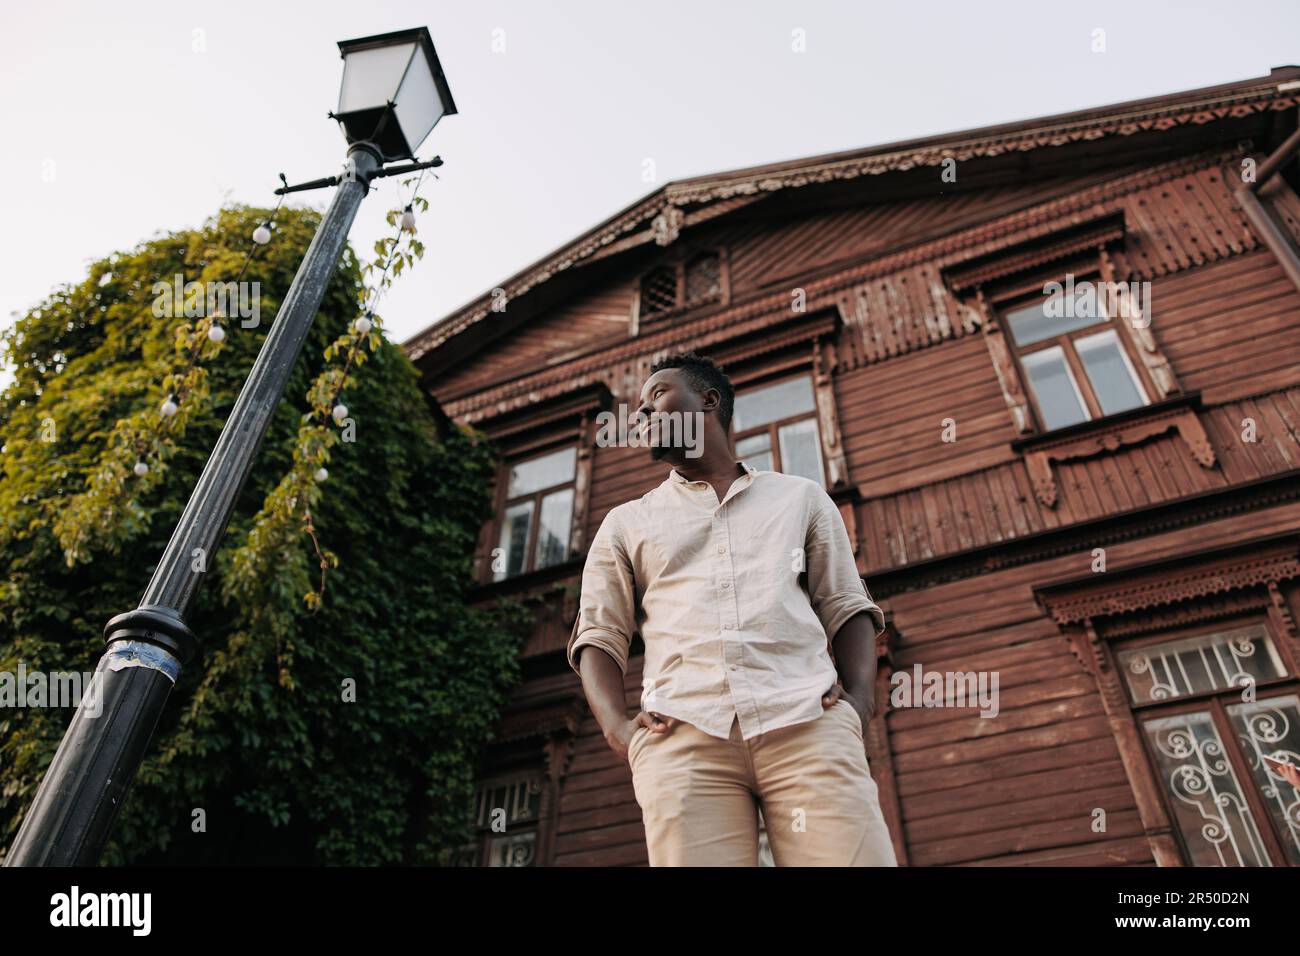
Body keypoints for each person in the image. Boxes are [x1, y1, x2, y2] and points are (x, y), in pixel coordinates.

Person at [567, 351, 899, 866]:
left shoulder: (800, 498)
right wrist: (620, 731)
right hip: (683, 740)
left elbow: (847, 604)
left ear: (709, 400)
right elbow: (598, 635)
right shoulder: (625, 523)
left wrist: (859, 702)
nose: (641, 414)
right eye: (638, 407)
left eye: (656, 395)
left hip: (808, 724)